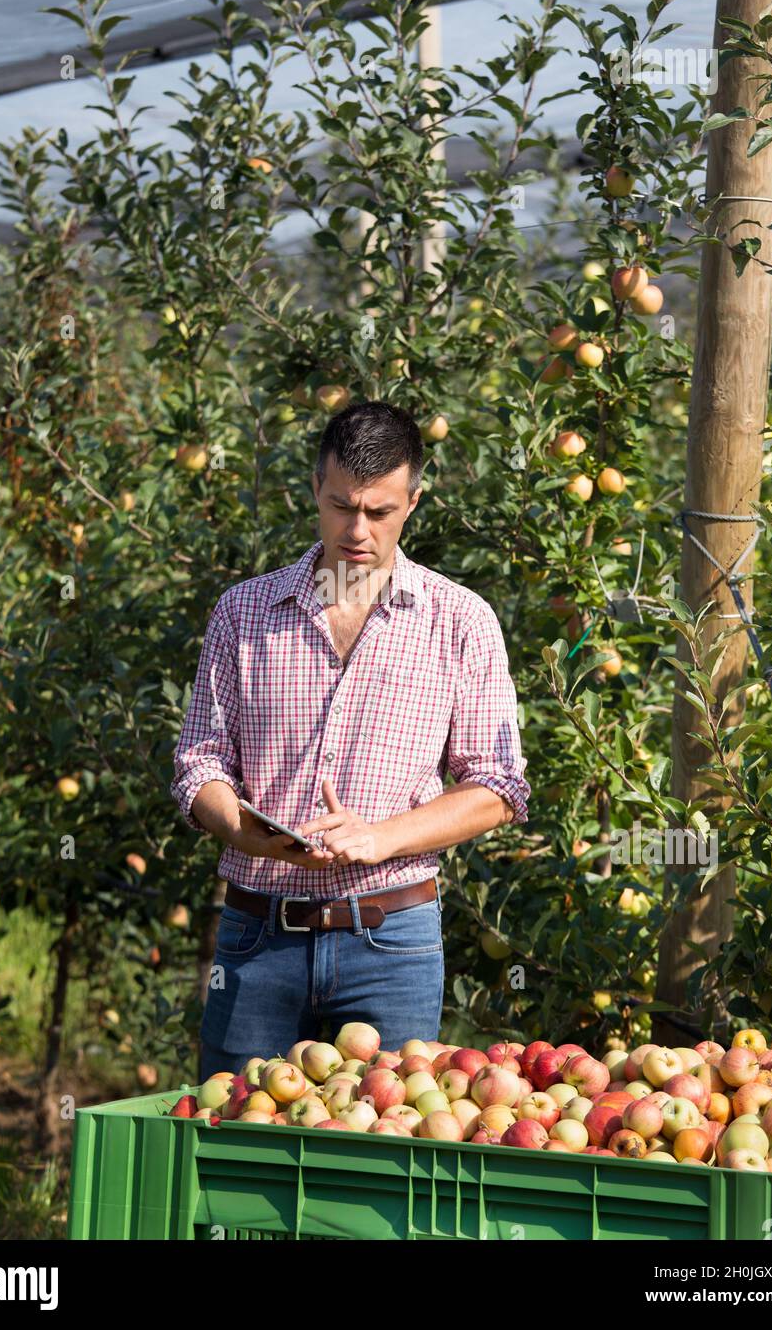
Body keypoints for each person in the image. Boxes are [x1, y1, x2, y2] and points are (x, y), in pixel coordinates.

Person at [170, 401, 530, 1080]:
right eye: (341, 506)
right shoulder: (243, 613)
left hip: (391, 938)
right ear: (314, 490)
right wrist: (245, 831)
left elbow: (500, 786)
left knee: (388, 1152)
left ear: (413, 502)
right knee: (237, 1137)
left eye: (380, 512)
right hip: (258, 933)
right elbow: (198, 764)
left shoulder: (459, 622)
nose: (357, 529)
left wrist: (381, 837)